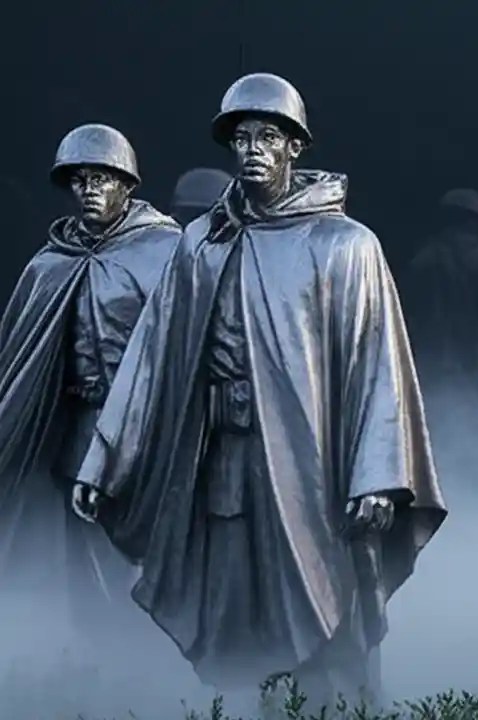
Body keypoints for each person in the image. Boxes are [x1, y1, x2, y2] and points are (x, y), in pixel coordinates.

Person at [72, 73, 447, 702]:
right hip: (224, 456)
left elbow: (377, 368)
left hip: (314, 468)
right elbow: (151, 358)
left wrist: (378, 477)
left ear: (295, 146)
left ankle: (334, 709)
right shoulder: (203, 243)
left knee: (326, 601)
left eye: (268, 136)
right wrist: (104, 462)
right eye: (241, 137)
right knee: (230, 603)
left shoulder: (346, 246)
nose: (252, 149)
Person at [0, 123, 179, 645]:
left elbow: (186, 347)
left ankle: (149, 654)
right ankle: (100, 653)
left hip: (145, 431)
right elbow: (21, 357)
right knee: (85, 552)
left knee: (146, 549)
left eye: (101, 178)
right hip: (78, 427)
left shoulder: (166, 252)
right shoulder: (50, 264)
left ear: (126, 182)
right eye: (79, 180)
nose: (89, 189)